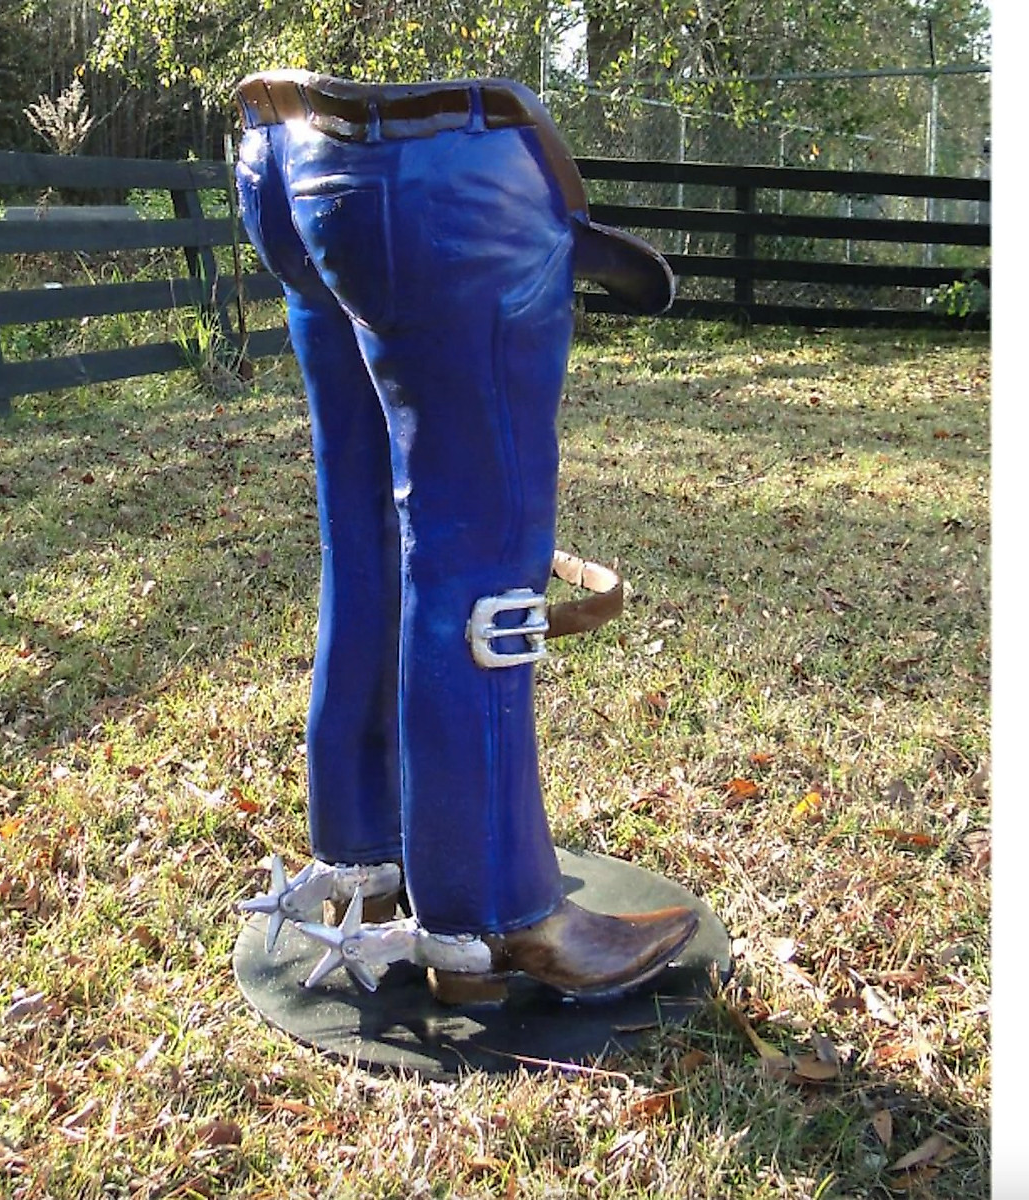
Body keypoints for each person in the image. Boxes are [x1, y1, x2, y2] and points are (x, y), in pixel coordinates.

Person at [234, 70, 698, 1004]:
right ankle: (489, 912)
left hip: (279, 157)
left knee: (367, 527)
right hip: (445, 182)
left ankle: (364, 853)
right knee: (480, 553)